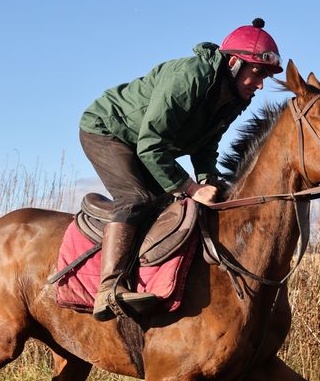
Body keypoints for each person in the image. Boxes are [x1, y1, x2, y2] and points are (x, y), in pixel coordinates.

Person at [78, 18, 282, 321]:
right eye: (258, 72)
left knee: (169, 206)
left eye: (266, 75)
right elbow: (151, 145)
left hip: (145, 142)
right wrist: (192, 188)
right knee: (136, 199)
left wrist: (208, 180)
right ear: (235, 63)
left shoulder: (235, 96)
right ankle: (109, 289)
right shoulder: (189, 78)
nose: (261, 83)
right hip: (108, 130)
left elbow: (205, 145)